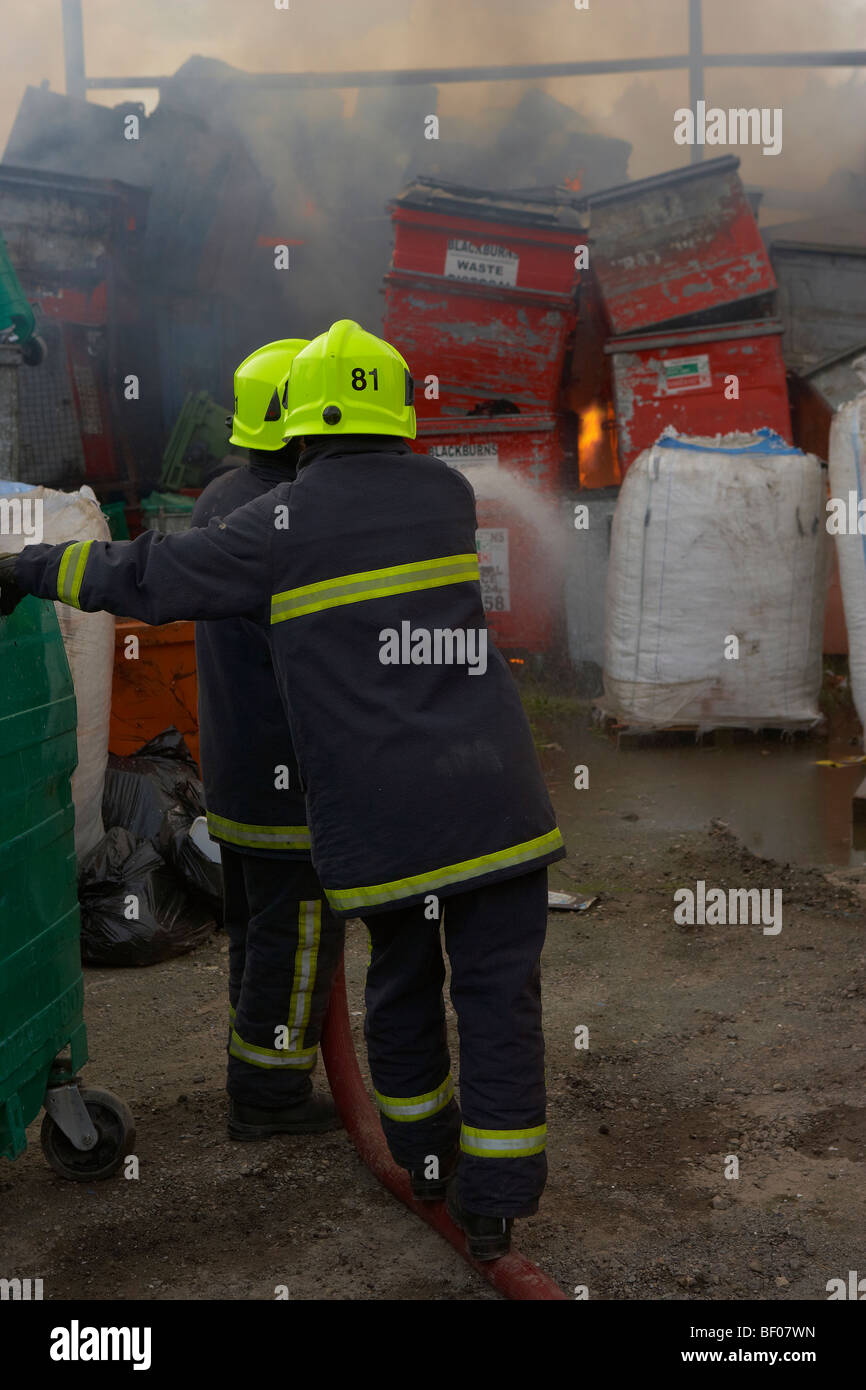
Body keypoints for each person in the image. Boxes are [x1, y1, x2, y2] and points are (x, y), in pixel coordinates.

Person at [1, 320, 564, 1260]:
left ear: (297, 430)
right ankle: (500, 1198)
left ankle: (430, 1170)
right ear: (400, 415)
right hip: (500, 813)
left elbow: (144, 575)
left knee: (405, 992)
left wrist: (22, 570)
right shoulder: (448, 495)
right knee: (503, 997)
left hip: (390, 833)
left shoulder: (276, 525)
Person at [193, 339, 344, 1140]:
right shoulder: (293, 517)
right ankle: (268, 1097)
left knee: (257, 931)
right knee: (301, 934)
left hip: (235, 769)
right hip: (288, 775)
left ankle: (251, 1060)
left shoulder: (222, 495)